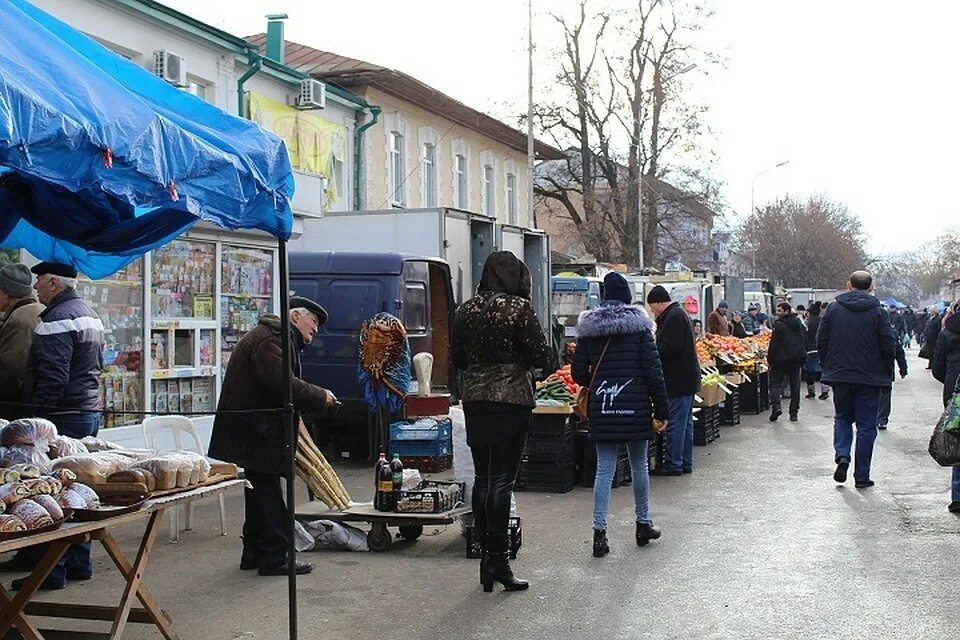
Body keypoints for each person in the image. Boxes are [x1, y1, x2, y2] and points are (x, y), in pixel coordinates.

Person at [208, 297, 336, 577]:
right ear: (294, 317)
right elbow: (282, 383)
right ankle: (275, 558)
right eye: (312, 321)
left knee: (258, 493)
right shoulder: (271, 340)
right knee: (268, 494)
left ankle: (254, 552)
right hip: (256, 431)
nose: (316, 328)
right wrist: (320, 395)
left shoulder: (274, 337)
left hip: (253, 429)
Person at [452, 252, 548, 592]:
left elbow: (458, 358)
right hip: (511, 401)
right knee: (502, 482)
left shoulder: (466, 309)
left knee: (483, 479)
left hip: (476, 400)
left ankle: (486, 562)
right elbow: (541, 356)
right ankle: (499, 561)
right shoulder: (519, 309)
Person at [7, 263, 105, 591]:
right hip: (86, 410)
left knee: (53, 490)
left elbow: (53, 374)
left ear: (53, 283)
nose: (35, 288)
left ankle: (51, 570)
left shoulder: (57, 318)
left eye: (39, 282)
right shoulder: (87, 312)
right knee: (75, 489)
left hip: (61, 417)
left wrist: (38, 422)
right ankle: (79, 562)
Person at [573, 273, 668, 558]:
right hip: (635, 408)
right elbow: (654, 373)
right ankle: (642, 524)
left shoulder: (589, 331)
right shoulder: (640, 330)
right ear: (627, 296)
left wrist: (599, 377)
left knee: (604, 469)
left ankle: (599, 534)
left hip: (604, 406)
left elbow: (578, 373)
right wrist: (661, 410)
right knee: (639, 466)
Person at [818, 270, 896, 489]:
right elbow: (887, 345)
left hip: (841, 375)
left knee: (842, 417)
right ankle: (862, 476)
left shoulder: (833, 309)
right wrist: (886, 373)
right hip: (870, 378)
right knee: (866, 427)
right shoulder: (879, 312)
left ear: (849, 285)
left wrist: (829, 366)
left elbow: (821, 340)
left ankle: (842, 455)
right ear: (871, 288)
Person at [646, 286, 699, 476]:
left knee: (677, 424)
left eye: (652, 306)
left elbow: (669, 348)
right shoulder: (676, 315)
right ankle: (684, 462)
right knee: (685, 424)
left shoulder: (674, 317)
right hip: (685, 378)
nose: (652, 311)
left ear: (660, 302)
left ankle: (673, 464)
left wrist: (651, 353)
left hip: (677, 379)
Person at [0, 263, 43, 420]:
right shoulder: (35, 310)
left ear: (6, 293)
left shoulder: (20, 319)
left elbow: (11, 371)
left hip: (15, 406)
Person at [931, 301, 960, 513]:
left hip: (954, 390)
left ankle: (958, 495)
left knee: (958, 439)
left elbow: (937, 365)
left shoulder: (948, 330)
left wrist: (950, 383)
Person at [767, 302, 807, 422]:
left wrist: (770, 359)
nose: (777, 313)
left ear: (787, 311)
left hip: (780, 360)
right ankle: (794, 413)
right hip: (796, 360)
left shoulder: (779, 325)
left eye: (780, 311)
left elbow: (774, 344)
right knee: (795, 387)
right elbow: (804, 341)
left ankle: (776, 407)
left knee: (775, 384)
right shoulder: (799, 324)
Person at [877, 311, 908, 431]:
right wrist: (903, 368)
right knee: (884, 395)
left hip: (871, 369)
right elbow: (898, 352)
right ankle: (881, 419)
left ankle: (879, 419)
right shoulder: (891, 332)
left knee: (877, 394)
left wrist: (903, 368)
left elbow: (898, 351)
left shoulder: (866, 331)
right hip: (885, 369)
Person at [803, 302, 830, 400]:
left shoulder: (807, 322)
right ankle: (825, 391)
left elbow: (804, 335)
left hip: (810, 349)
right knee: (823, 371)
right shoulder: (823, 321)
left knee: (809, 372)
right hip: (822, 349)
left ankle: (811, 392)